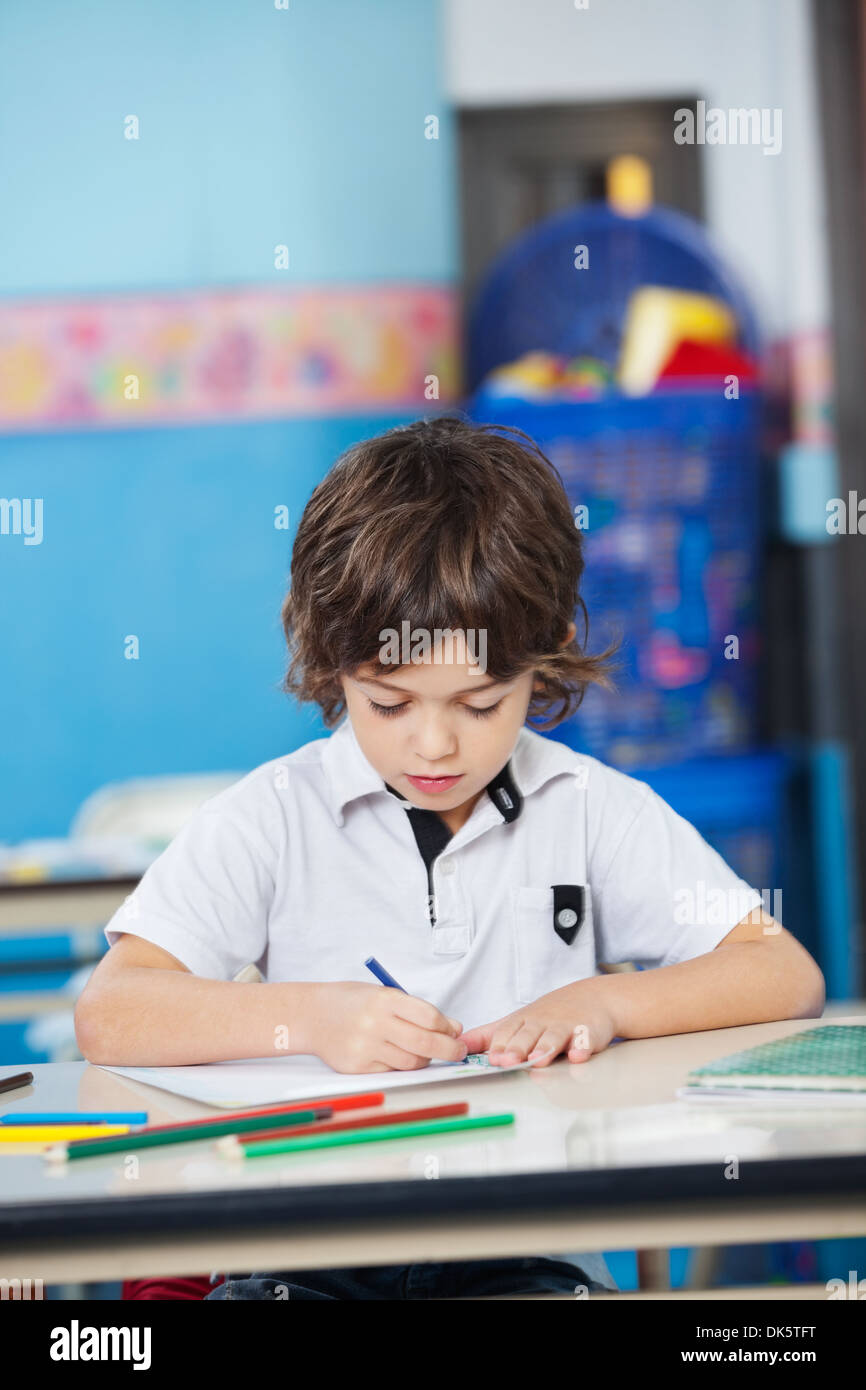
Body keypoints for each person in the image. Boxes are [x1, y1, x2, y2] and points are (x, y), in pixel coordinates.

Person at [76, 415, 825, 1300]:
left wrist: (606, 1001)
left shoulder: (587, 808)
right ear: (332, 666)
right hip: (311, 1249)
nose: (434, 747)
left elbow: (782, 972)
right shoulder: (274, 815)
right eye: (390, 703)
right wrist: (309, 1020)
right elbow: (113, 1010)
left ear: (539, 664)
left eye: (479, 702)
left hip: (522, 1250)